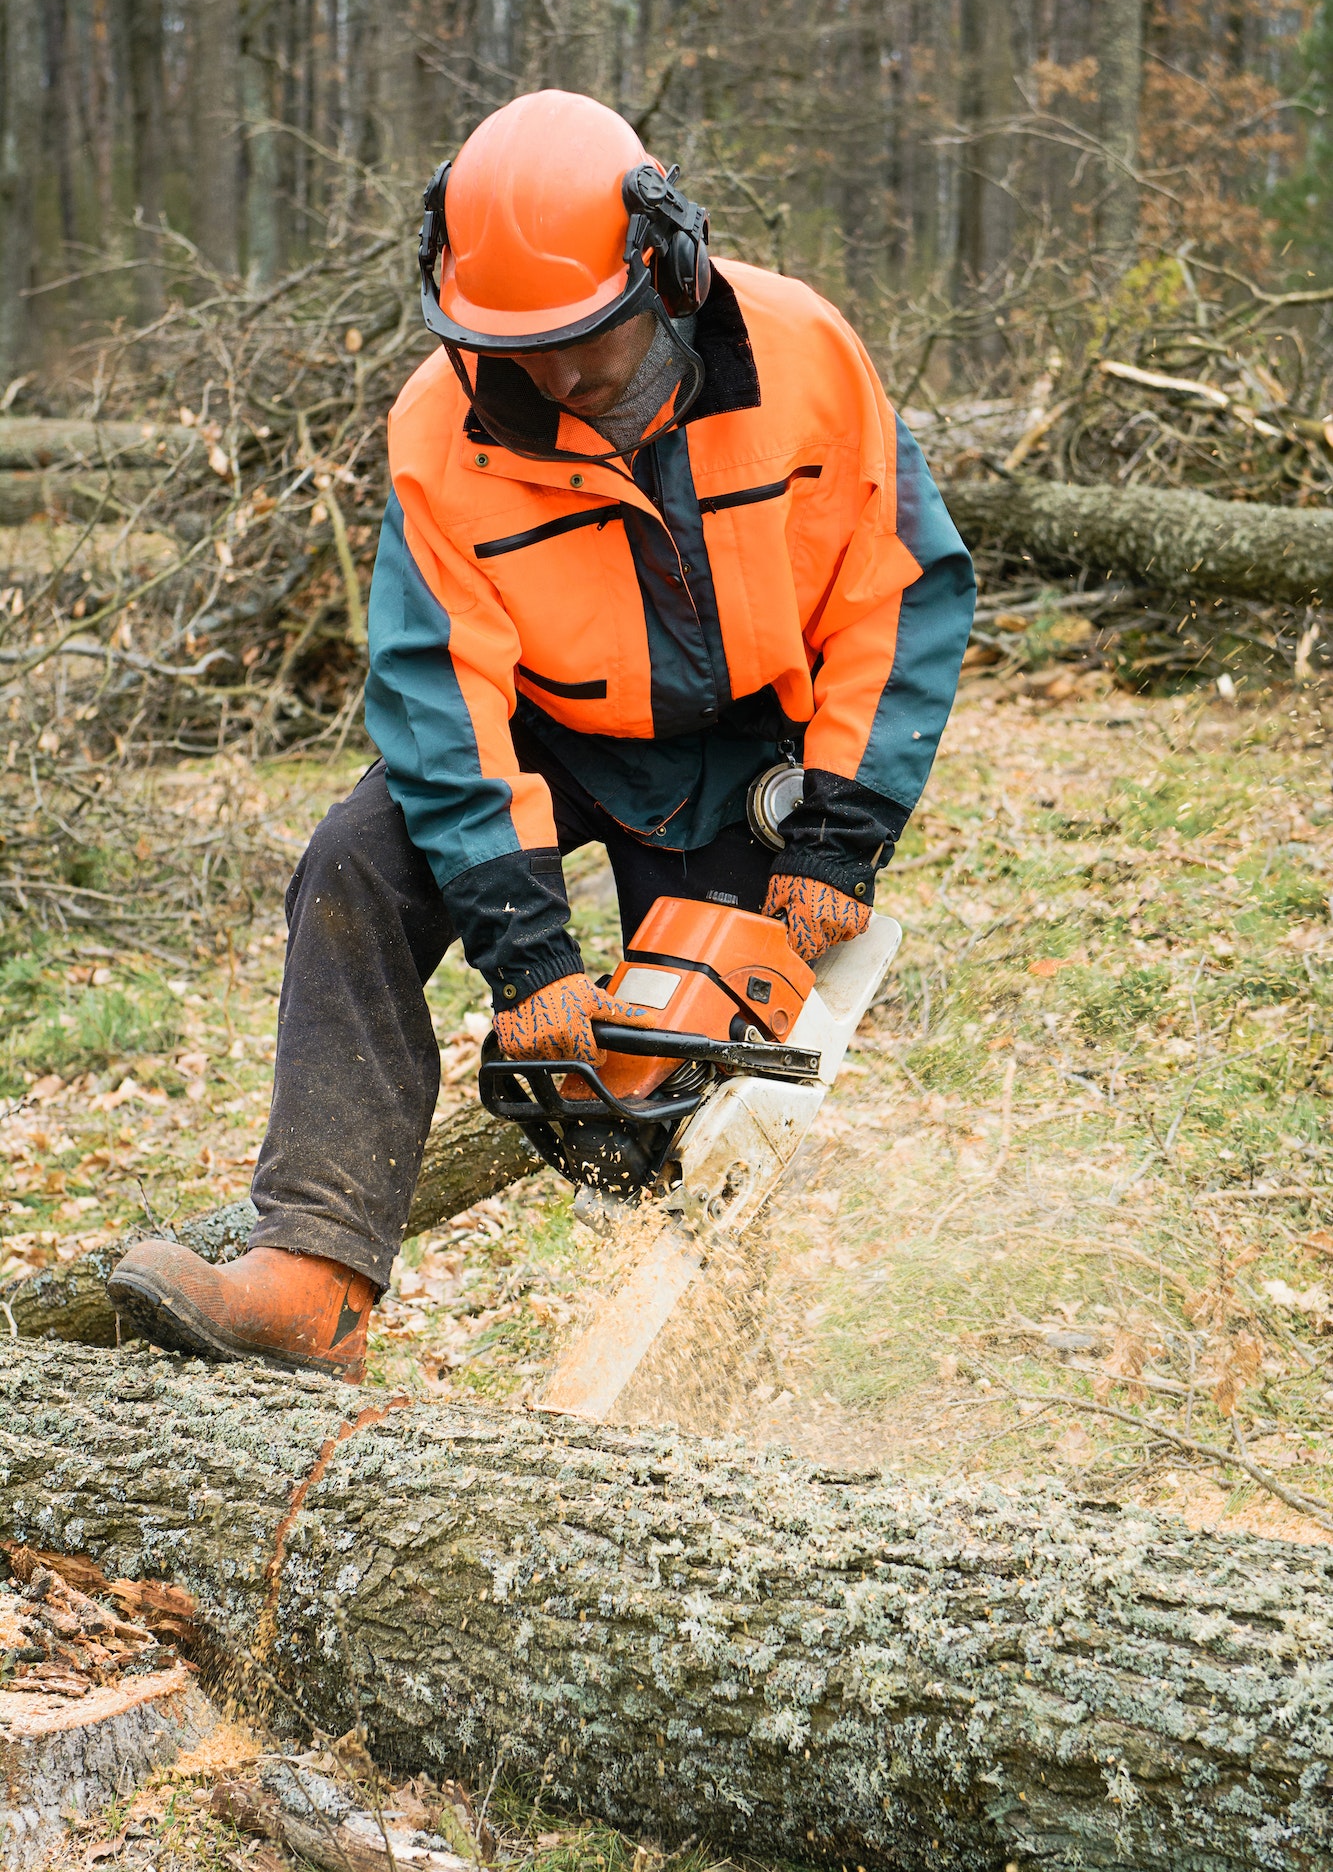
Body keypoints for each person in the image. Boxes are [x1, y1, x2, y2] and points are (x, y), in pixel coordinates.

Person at [108, 89, 976, 1382]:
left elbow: (895, 589)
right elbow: (435, 688)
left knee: (693, 1082)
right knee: (355, 861)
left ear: (665, 267)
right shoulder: (440, 426)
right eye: (518, 348)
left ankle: (728, 1375)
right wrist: (523, 945)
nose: (559, 379)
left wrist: (840, 831)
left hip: (751, 740)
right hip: (550, 724)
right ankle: (314, 1277)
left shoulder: (800, 351)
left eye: (589, 341)